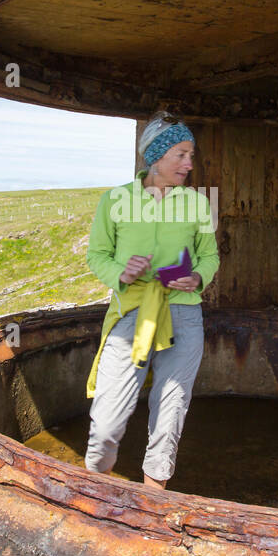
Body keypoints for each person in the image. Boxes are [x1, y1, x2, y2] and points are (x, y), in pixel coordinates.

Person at [83, 112, 219, 489]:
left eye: (191, 154)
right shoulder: (115, 200)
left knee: (171, 411)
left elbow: (210, 255)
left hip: (185, 314)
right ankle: (95, 490)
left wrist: (198, 277)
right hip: (131, 312)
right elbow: (97, 254)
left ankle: (153, 503)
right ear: (156, 156)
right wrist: (121, 274)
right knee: (108, 417)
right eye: (181, 154)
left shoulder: (197, 204)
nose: (190, 163)